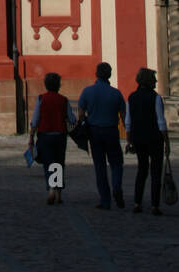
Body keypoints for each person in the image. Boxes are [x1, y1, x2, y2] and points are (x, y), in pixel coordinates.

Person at [78, 62, 126, 209]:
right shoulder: (116, 93)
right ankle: (116, 186)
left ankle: (105, 200)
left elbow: (80, 115)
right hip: (111, 130)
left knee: (100, 166)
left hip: (94, 132)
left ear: (96, 74)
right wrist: (129, 134)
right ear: (109, 75)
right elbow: (124, 117)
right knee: (116, 163)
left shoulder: (87, 92)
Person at [125, 67, 171, 216]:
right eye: (154, 79)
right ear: (150, 81)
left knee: (142, 170)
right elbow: (161, 122)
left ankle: (137, 203)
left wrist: (129, 140)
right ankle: (154, 205)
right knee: (155, 172)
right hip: (155, 139)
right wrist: (167, 142)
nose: (156, 81)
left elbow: (128, 122)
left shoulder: (131, 97)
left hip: (138, 138)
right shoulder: (156, 98)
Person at [27, 72, 76, 203]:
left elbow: (36, 119)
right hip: (60, 135)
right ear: (58, 85)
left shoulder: (41, 99)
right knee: (59, 163)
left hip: (45, 135)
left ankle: (51, 189)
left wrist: (31, 136)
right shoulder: (64, 100)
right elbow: (72, 119)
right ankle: (59, 193)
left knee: (48, 163)